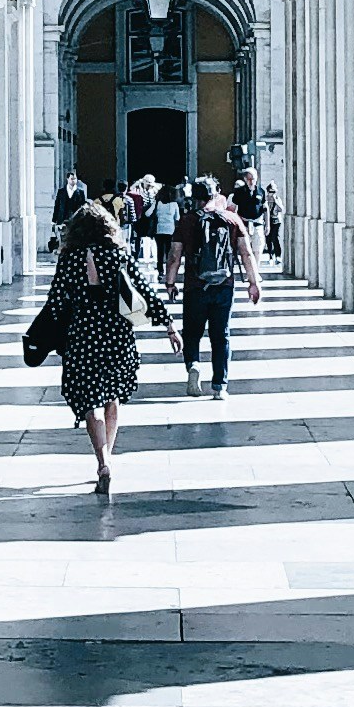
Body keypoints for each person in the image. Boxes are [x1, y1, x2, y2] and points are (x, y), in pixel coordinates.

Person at [51, 192, 168, 496]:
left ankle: (101, 460)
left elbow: (56, 301)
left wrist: (52, 333)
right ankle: (109, 458)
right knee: (112, 396)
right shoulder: (119, 256)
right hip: (116, 335)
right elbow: (144, 292)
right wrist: (168, 325)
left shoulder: (69, 259)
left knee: (90, 402)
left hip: (83, 335)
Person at [165, 174, 261, 396]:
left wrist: (170, 283)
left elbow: (174, 255)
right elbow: (246, 253)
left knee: (192, 333)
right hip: (224, 285)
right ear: (215, 194)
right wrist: (253, 283)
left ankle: (194, 366)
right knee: (221, 335)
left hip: (194, 286)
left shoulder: (187, 221)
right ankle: (220, 386)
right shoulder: (232, 219)